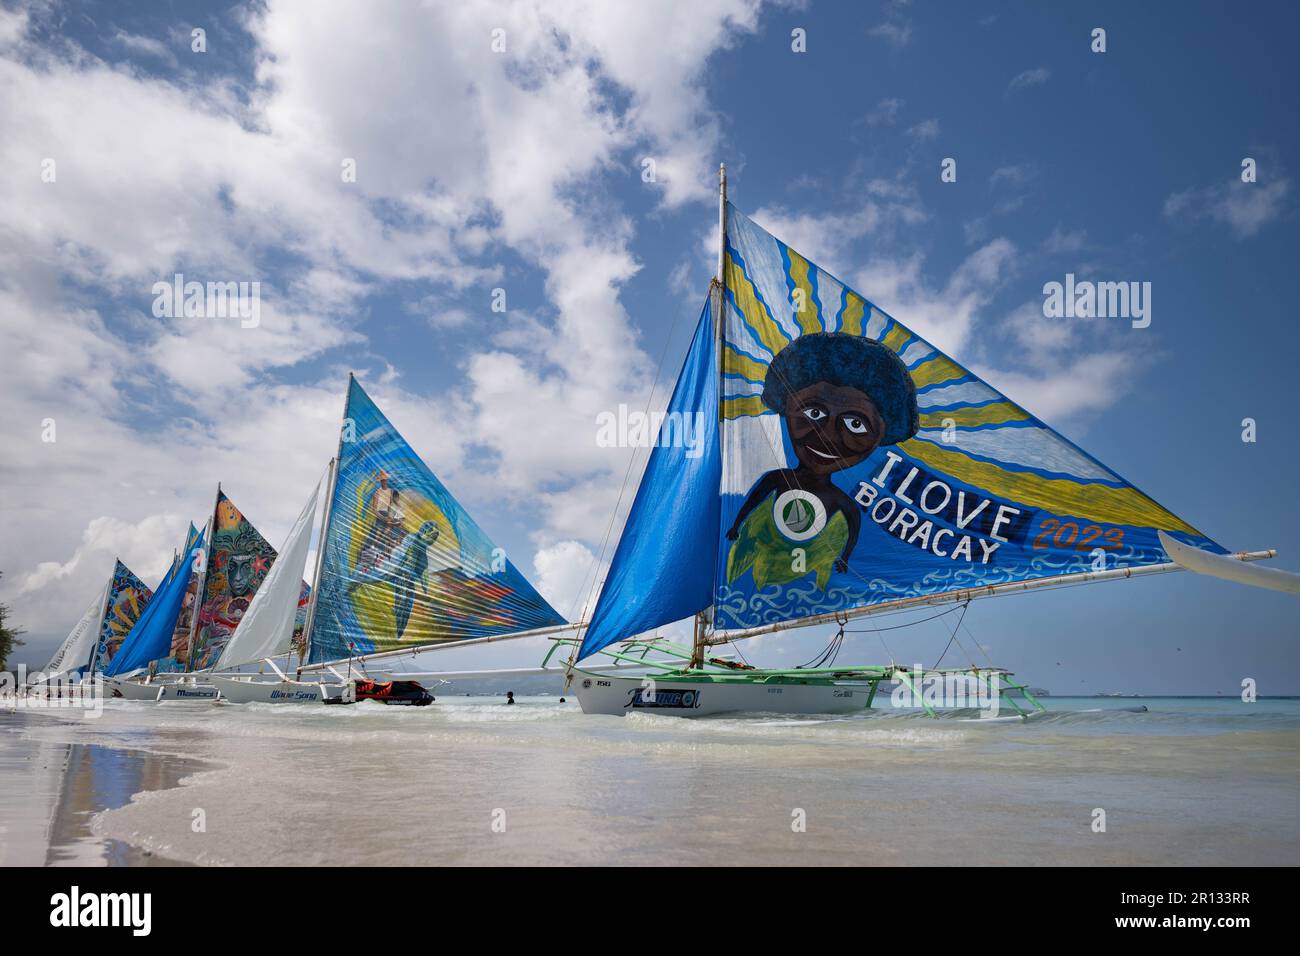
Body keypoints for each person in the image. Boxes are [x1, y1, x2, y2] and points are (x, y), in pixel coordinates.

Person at [726, 332, 919, 590]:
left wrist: (845, 558)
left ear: (880, 437)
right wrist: (736, 527)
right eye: (813, 412)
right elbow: (753, 500)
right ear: (787, 408)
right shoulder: (777, 479)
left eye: (855, 424)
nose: (826, 435)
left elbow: (853, 525)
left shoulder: (841, 501)